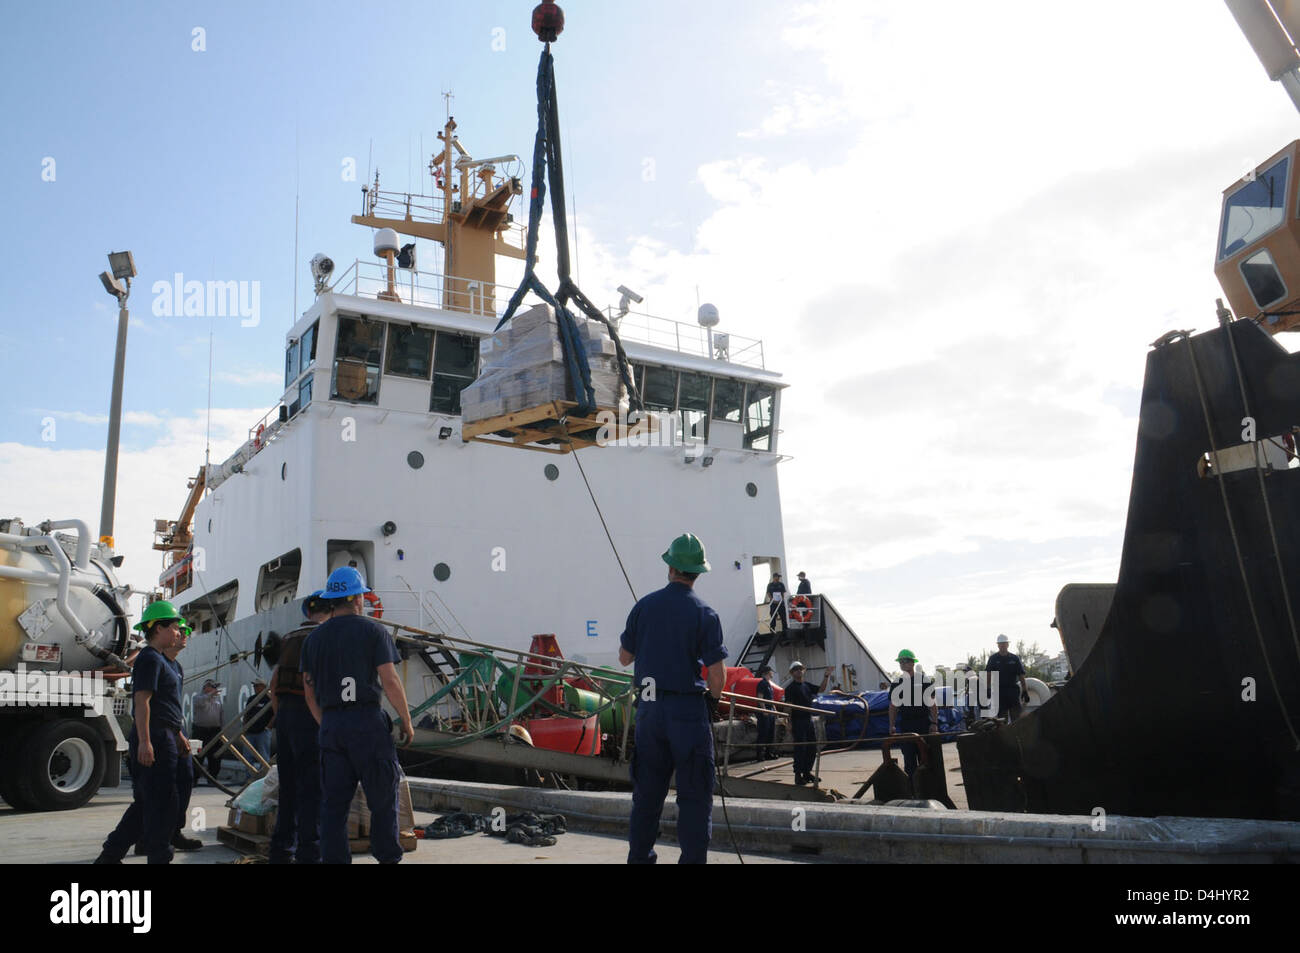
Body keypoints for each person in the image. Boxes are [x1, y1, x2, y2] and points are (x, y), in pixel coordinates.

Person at [618, 532, 727, 864]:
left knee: (647, 796)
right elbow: (717, 675)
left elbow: (624, 657)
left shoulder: (644, 606)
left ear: (670, 567)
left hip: (649, 709)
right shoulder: (705, 613)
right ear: (698, 572)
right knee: (694, 798)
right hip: (688, 712)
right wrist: (712, 700)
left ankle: (640, 859)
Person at [302, 567, 414, 865]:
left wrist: (326, 724)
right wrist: (406, 719)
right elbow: (389, 680)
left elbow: (309, 691)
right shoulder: (374, 631)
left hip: (333, 725)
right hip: (367, 724)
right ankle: (388, 858)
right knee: (382, 801)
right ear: (355, 598)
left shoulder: (313, 640)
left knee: (334, 806)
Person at [95, 601, 188, 864]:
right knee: (162, 804)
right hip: (155, 738)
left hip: (165, 735)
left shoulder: (161, 660)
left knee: (148, 803)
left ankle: (110, 856)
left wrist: (178, 736)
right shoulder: (149, 658)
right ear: (158, 628)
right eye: (174, 627)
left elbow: (165, 706)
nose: (179, 632)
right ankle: (157, 857)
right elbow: (142, 702)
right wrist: (145, 742)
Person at [268, 590, 329, 864]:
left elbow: (274, 685)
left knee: (289, 787)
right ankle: (310, 853)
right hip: (309, 716)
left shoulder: (289, 638)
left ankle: (281, 852)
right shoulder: (323, 638)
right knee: (312, 789)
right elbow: (315, 683)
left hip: (286, 717)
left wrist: (280, 718)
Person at [888, 649, 939, 780]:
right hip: (906, 725)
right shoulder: (897, 683)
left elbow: (932, 704)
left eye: (906, 661)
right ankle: (913, 791)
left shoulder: (923, 680)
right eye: (901, 662)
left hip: (923, 724)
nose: (903, 664)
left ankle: (929, 791)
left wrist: (934, 723)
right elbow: (893, 706)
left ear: (912, 663)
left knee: (926, 760)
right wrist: (892, 725)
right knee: (909, 762)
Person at [784, 660, 831, 785]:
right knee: (800, 748)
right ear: (792, 673)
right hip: (797, 721)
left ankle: (807, 772)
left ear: (804, 670)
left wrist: (826, 676)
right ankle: (798, 775)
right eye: (796, 669)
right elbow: (788, 706)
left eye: (800, 668)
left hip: (808, 720)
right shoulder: (790, 688)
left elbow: (821, 689)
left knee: (812, 748)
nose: (799, 671)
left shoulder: (807, 685)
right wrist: (788, 722)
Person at [986, 634, 1030, 723]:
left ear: (1008, 644)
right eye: (1000, 644)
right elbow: (988, 674)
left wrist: (1025, 691)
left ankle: (1018, 735)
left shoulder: (1014, 658)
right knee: (1002, 721)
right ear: (998, 645)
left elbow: (1021, 675)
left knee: (1017, 719)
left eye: (1004, 643)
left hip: (1013, 692)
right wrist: (988, 688)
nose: (1002, 645)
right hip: (999, 693)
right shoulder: (993, 659)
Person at [192, 679, 224, 783]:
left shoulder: (218, 701)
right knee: (196, 755)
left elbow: (221, 716)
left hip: (214, 731)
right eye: (212, 686)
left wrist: (222, 730)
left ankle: (212, 778)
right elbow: (201, 702)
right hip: (199, 730)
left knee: (215, 756)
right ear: (205, 687)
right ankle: (194, 779)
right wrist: (210, 694)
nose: (215, 689)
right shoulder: (197, 698)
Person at [241, 678, 273, 778]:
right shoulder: (251, 699)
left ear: (263, 686)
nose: (255, 688)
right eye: (254, 686)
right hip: (250, 732)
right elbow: (246, 714)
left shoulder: (269, 699)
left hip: (263, 732)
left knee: (264, 757)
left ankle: (264, 778)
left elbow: (275, 714)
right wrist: (245, 727)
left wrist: (268, 727)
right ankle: (249, 779)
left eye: (257, 685)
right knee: (247, 757)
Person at [754, 665, 777, 760]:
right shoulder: (762, 683)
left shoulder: (769, 684)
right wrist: (763, 709)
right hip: (765, 711)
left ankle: (768, 753)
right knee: (763, 732)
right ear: (767, 672)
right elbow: (760, 697)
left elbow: (771, 699)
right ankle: (760, 754)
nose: (772, 673)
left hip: (770, 710)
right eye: (771, 672)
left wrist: (775, 710)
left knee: (771, 732)